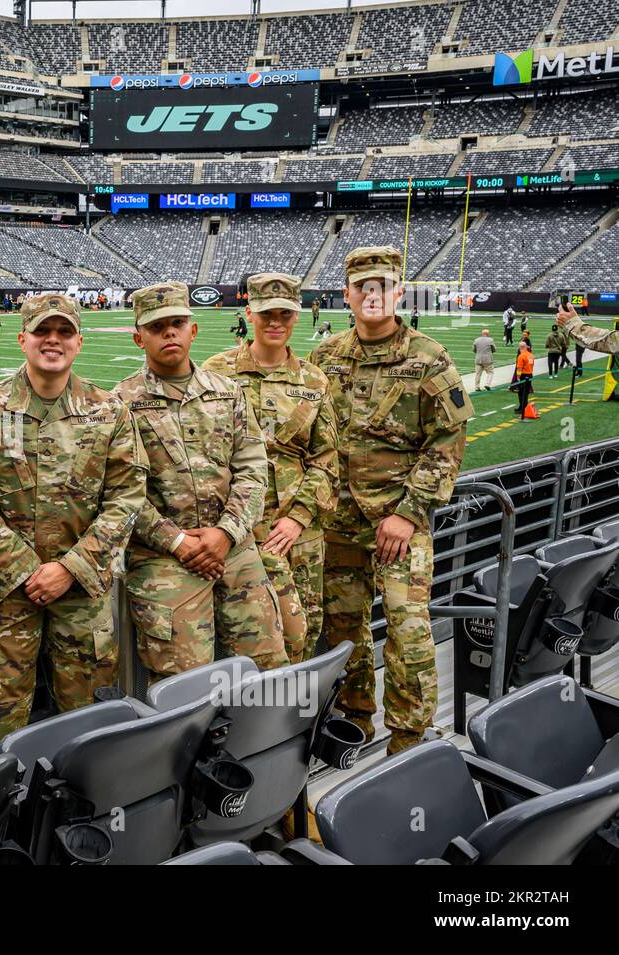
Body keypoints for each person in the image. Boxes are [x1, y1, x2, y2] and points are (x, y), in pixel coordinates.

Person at [0, 293, 146, 756]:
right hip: (5, 594)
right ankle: (3, 817)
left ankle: (79, 815)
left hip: (82, 593)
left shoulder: (108, 410)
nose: (52, 341)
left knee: (87, 721)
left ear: (79, 342)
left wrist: (71, 567)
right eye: (42, 331)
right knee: (0, 718)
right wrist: (25, 568)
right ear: (23, 339)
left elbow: (127, 496)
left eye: (63, 332)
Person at [310, 247, 471, 755]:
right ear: (348, 295)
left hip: (400, 520)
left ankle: (409, 738)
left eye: (382, 285)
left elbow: (447, 442)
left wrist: (408, 513)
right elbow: (313, 436)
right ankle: (355, 717)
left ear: (398, 293)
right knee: (341, 627)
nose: (371, 293)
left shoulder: (428, 357)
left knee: (408, 630)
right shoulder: (326, 356)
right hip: (336, 518)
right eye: (362, 286)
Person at [114, 282, 286, 686]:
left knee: (268, 670)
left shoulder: (228, 393)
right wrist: (178, 542)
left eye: (177, 323)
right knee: (184, 682)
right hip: (163, 558)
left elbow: (252, 468)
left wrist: (225, 534)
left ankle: (255, 749)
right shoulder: (118, 403)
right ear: (140, 338)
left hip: (236, 548)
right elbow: (121, 492)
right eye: (157, 327)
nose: (169, 333)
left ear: (194, 331)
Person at [201, 273, 338, 666]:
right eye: (267, 313)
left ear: (297, 316)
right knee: (237, 634)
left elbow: (327, 459)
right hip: (237, 531)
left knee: (304, 630)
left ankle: (290, 721)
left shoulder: (314, 380)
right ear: (250, 314)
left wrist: (297, 518)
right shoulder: (216, 372)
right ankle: (243, 723)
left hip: (298, 533)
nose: (276, 321)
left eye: (285, 313)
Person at [514, 341, 535, 420]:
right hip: (530, 375)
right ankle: (522, 407)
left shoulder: (521, 356)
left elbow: (519, 368)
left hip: (523, 376)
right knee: (525, 393)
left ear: (520, 348)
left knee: (521, 393)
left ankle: (523, 408)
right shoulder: (531, 355)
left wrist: (518, 376)